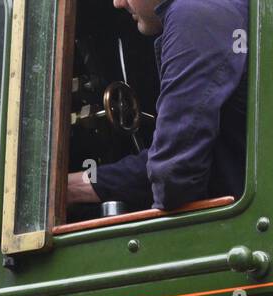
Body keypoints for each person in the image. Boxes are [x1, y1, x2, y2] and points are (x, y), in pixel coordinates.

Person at [67, 0, 249, 212]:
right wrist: (71, 187)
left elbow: (173, 172)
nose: (118, 3)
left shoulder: (193, 12)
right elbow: (168, 160)